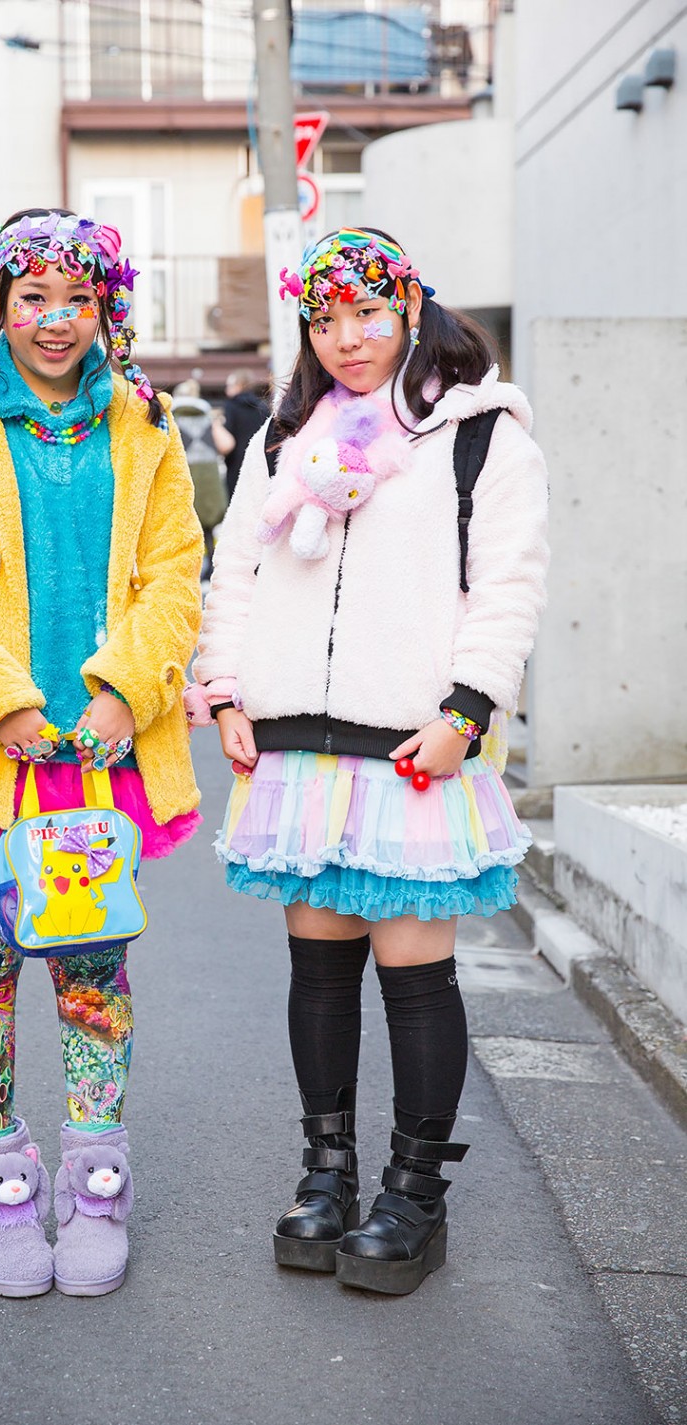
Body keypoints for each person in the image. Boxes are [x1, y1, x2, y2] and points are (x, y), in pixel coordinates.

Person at [189, 227, 548, 1296]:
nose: (347, 338)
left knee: (412, 970)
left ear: (408, 311)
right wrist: (222, 689)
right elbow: (235, 578)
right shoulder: (278, 441)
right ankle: (327, 1177)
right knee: (318, 964)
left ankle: (413, 1196)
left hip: (412, 744)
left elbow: (507, 587)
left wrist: (468, 709)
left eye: (368, 314)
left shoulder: (478, 435)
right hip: (296, 741)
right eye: (325, 317)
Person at [0, 207, 203, 1299]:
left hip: (96, 761)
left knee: (93, 983)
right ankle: (1, 1189)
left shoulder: (146, 431)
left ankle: (96, 1185)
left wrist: (121, 696)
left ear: (107, 304)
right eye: (32, 300)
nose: (56, 322)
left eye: (77, 299)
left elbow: (172, 578)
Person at [171, 378, 226, 580]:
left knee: (184, 528)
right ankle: (212, 567)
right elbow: (226, 444)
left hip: (183, 478)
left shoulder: (171, 418)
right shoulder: (207, 417)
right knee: (209, 528)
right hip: (209, 479)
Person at [211, 367, 270, 502]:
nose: (227, 389)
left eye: (229, 385)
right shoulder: (263, 407)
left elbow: (228, 440)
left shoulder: (231, 406)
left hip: (236, 466)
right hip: (259, 464)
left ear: (239, 385)